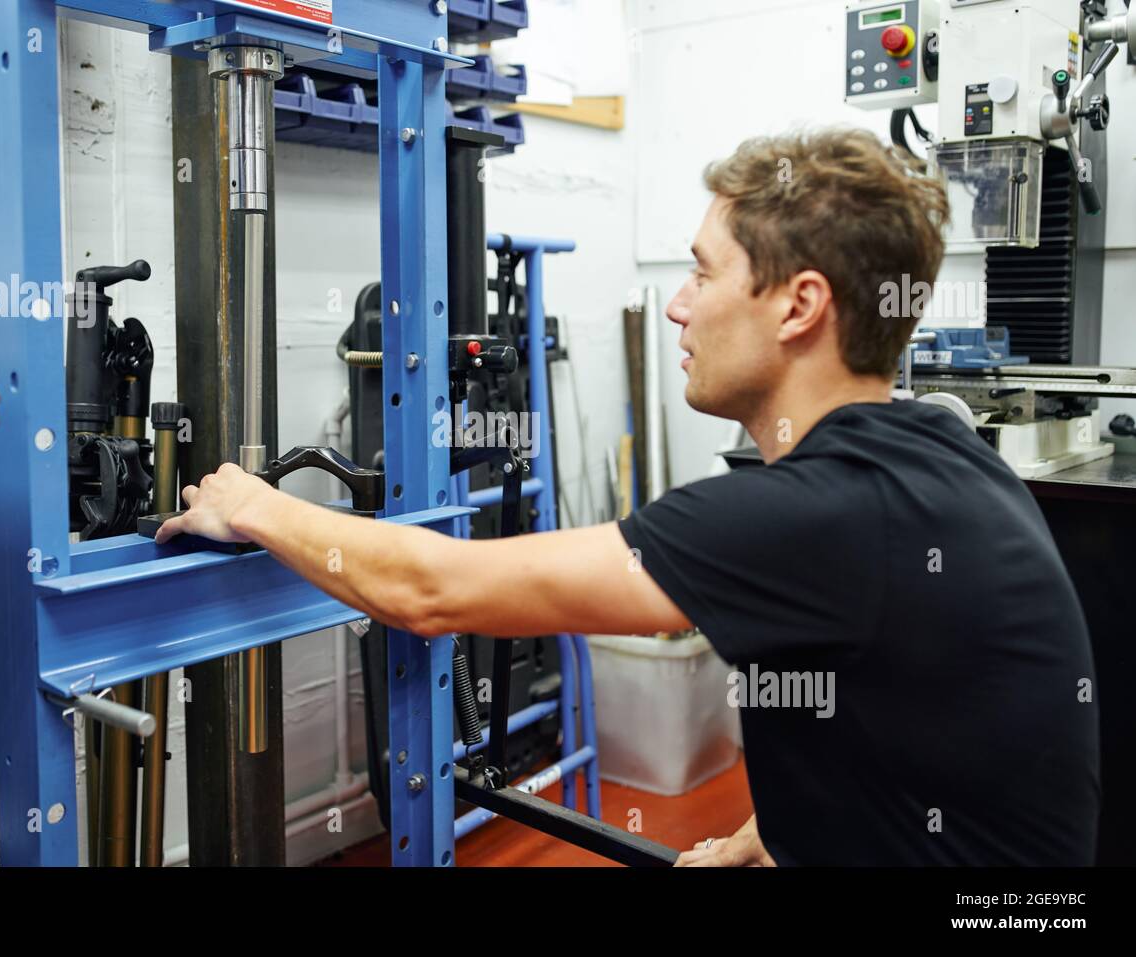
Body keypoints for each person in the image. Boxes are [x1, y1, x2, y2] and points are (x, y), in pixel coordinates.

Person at [157, 128, 1100, 866]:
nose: (680, 304)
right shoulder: (934, 449)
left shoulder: (827, 511)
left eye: (702, 270)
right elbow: (919, 714)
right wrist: (796, 829)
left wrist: (253, 503)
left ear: (800, 305)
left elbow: (432, 593)